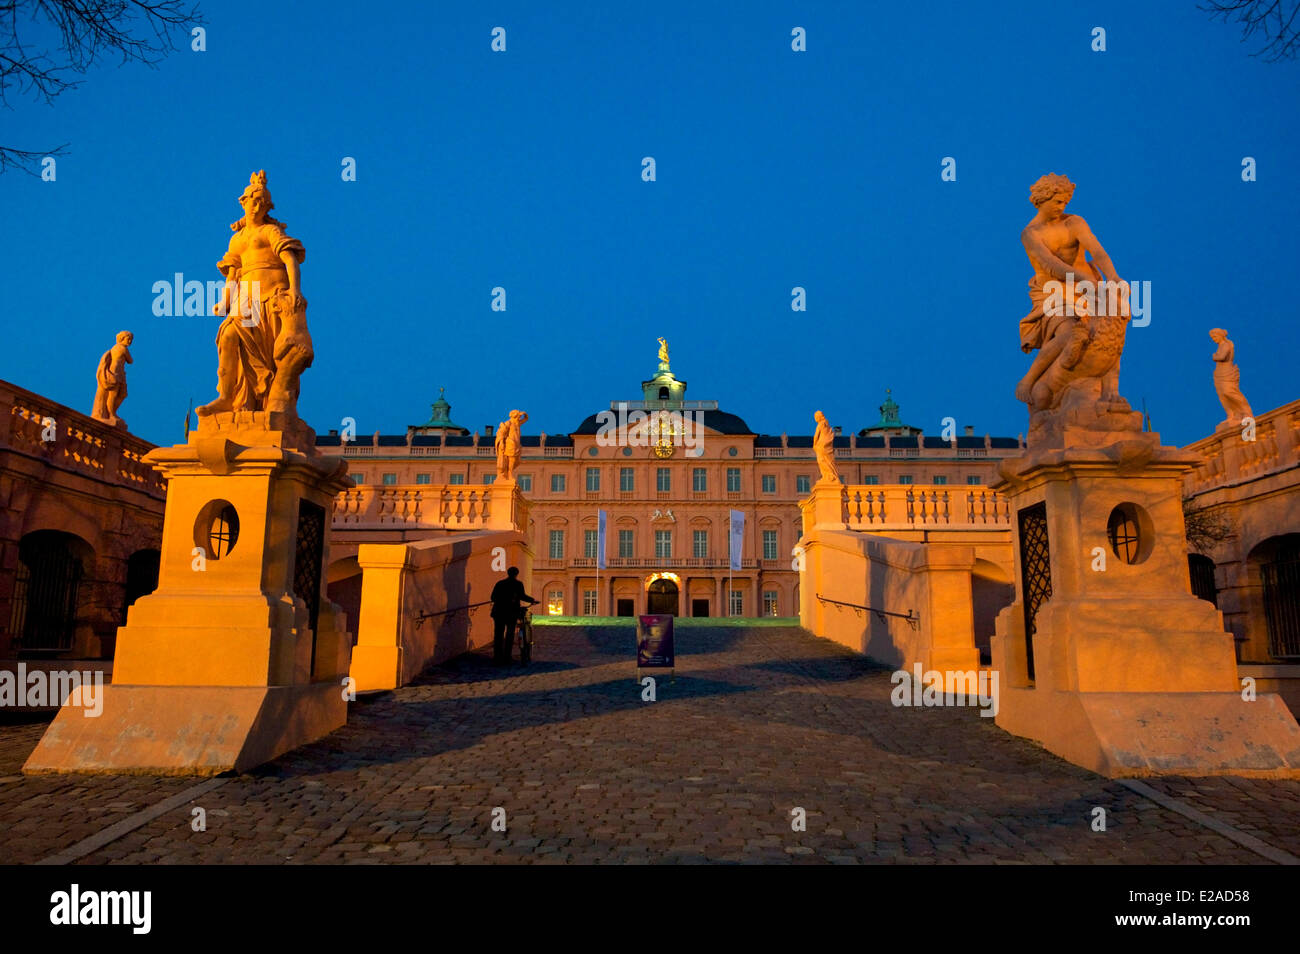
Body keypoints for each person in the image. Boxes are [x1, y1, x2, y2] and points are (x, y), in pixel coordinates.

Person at [490, 566, 537, 665]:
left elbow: (493, 597)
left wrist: (501, 601)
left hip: (498, 612)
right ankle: (507, 657)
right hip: (511, 613)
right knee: (509, 635)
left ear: (508, 573)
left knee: (498, 634)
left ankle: (497, 656)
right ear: (516, 574)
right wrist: (532, 600)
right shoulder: (518, 584)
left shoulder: (500, 583)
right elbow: (522, 596)